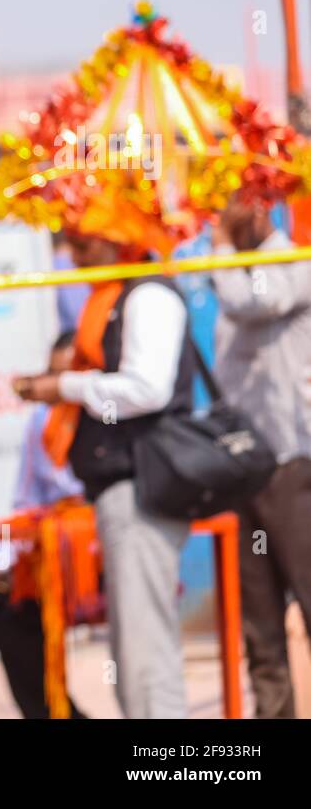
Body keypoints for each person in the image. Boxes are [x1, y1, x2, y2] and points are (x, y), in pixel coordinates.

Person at [13, 195, 195, 719]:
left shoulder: (147, 296)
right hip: (121, 492)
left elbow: (147, 389)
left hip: (144, 487)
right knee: (133, 651)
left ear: (113, 241)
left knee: (145, 656)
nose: (73, 256)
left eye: (82, 243)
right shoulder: (111, 299)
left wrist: (63, 387)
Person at [0, 332, 87, 719]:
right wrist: (3, 564)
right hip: (42, 556)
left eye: (68, 381)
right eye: (52, 379)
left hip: (90, 561)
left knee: (18, 615)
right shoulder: (41, 423)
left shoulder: (108, 421)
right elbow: (25, 503)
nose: (56, 390)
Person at [212, 196, 311, 718]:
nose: (217, 226)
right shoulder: (237, 274)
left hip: (292, 468)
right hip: (244, 475)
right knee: (260, 624)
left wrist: (222, 246)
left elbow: (256, 302)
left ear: (253, 210)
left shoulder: (292, 263)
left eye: (227, 212)